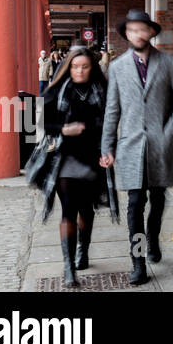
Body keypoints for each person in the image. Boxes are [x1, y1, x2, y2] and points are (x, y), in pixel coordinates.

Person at [100, 8, 173, 285]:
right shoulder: (116, 68)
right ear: (126, 34)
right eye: (132, 30)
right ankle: (137, 261)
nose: (138, 34)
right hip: (130, 146)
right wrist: (107, 146)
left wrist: (168, 132)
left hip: (159, 145)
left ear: (151, 32)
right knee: (136, 204)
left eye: (142, 29)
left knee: (158, 199)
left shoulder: (168, 63)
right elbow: (112, 110)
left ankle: (153, 240)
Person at [41, 43, 118, 287]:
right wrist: (65, 128)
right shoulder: (56, 92)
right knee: (68, 211)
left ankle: (83, 249)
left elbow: (111, 122)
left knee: (86, 210)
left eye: (84, 66)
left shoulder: (102, 90)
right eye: (75, 66)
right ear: (68, 67)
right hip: (64, 158)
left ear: (91, 67)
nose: (80, 71)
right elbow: (43, 125)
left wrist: (110, 150)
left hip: (93, 158)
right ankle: (68, 266)